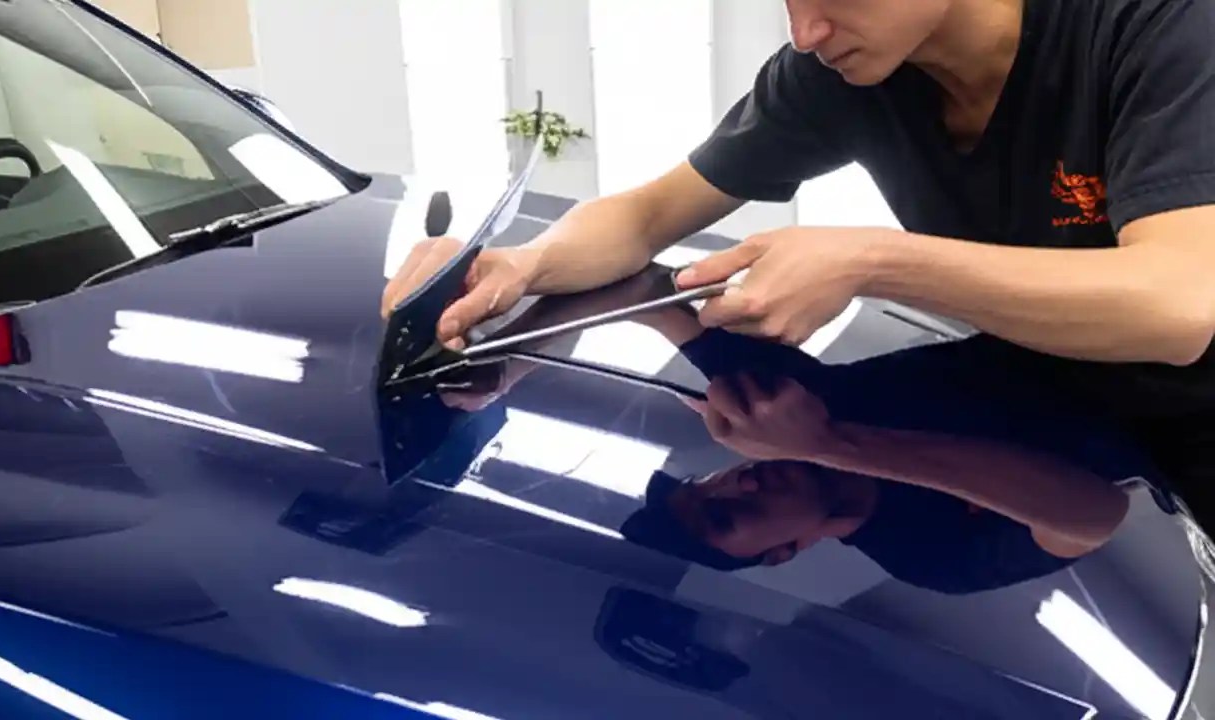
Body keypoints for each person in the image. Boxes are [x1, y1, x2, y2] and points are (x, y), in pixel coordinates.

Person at [383, 0, 1215, 510]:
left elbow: (1179, 306)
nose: (807, 29)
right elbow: (648, 213)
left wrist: (873, 259)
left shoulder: (1157, 29)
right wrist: (524, 267)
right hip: (1049, 422)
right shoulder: (833, 76)